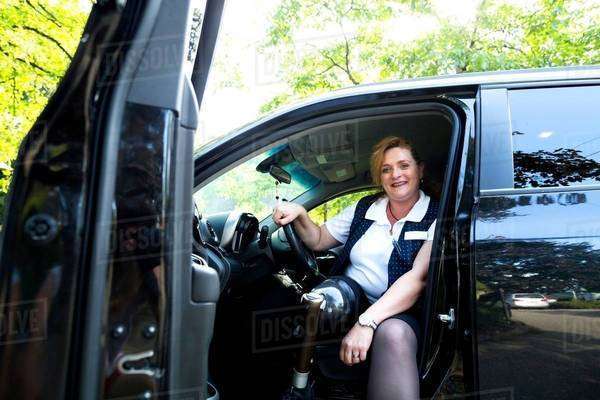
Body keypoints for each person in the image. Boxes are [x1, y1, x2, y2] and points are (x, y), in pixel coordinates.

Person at [272, 136, 437, 400]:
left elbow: (418, 279)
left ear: (420, 169)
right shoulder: (364, 208)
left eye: (404, 165)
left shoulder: (435, 217)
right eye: (386, 169)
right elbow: (318, 239)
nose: (396, 174)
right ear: (380, 176)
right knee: (324, 299)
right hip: (351, 301)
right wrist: (300, 213)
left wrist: (367, 322)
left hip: (400, 311)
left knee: (393, 333)